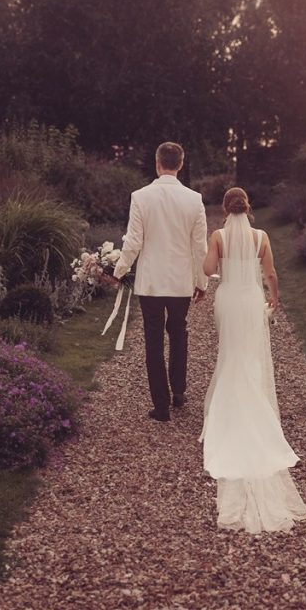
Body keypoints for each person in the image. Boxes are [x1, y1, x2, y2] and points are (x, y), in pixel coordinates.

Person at [199, 187, 306, 533]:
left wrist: (210, 255)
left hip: (229, 300)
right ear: (248, 207)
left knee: (229, 352)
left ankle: (230, 403)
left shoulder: (218, 236)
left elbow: (207, 268)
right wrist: (274, 298)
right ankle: (251, 401)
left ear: (224, 208)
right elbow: (271, 274)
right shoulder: (261, 237)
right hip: (250, 301)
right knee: (249, 355)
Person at [111, 142, 209, 422]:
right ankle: (178, 391)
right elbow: (199, 246)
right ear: (181, 163)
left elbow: (133, 242)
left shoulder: (141, 197)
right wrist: (201, 281)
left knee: (153, 342)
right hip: (180, 283)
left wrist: (119, 271)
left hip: (152, 284)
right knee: (178, 333)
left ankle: (161, 406)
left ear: (157, 163)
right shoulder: (194, 199)